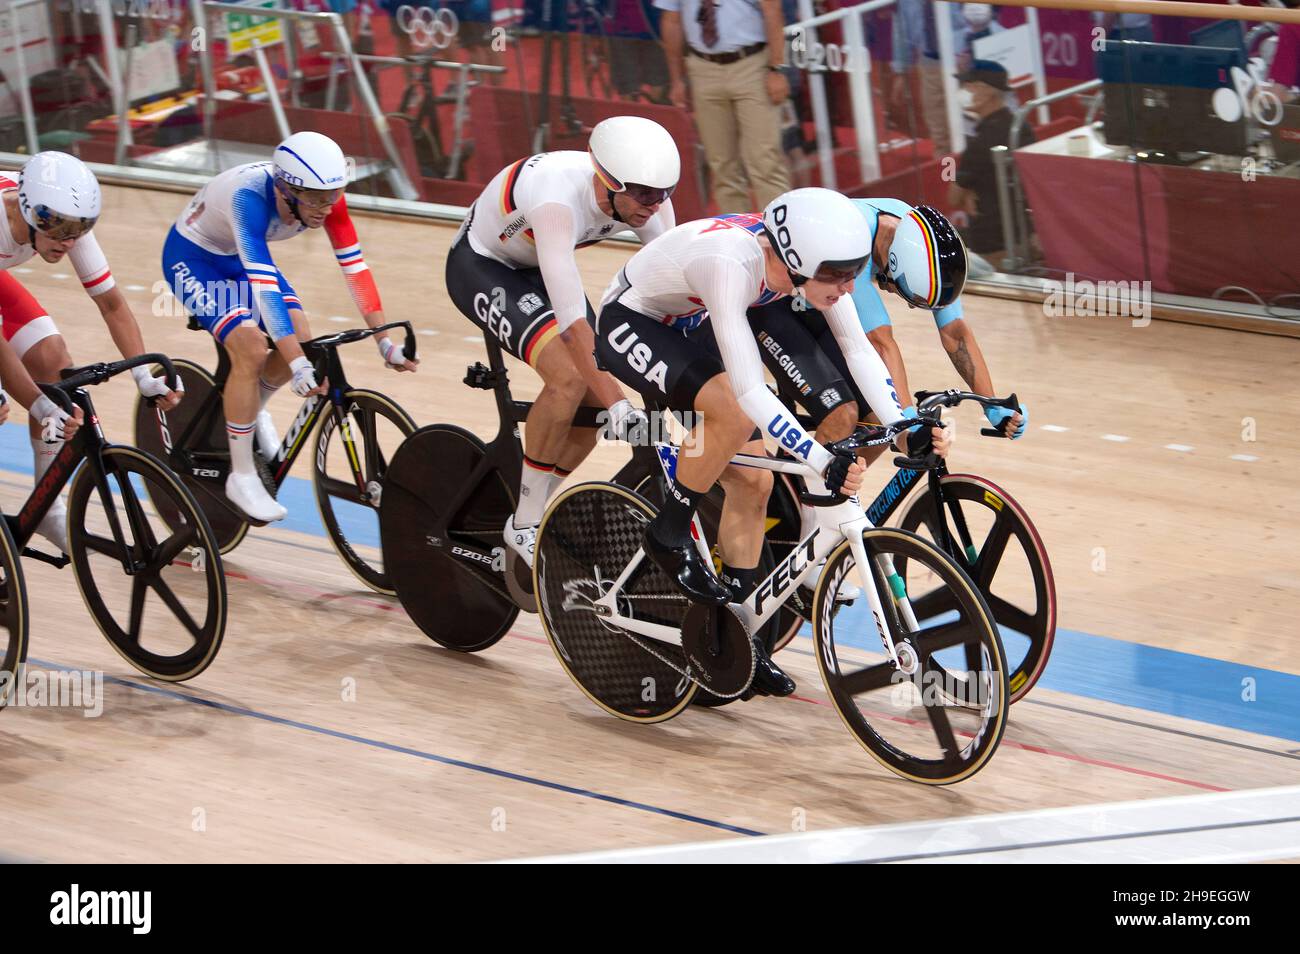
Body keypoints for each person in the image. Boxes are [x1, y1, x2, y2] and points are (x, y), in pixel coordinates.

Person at [592, 188, 948, 696]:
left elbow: (857, 348)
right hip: (635, 320)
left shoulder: (809, 260)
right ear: (797, 261)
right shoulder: (730, 263)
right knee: (733, 413)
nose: (848, 287)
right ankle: (668, 532)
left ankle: (742, 638)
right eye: (836, 275)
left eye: (853, 272)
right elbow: (748, 390)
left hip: (695, 321)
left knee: (755, 482)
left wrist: (904, 425)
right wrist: (818, 458)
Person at [446, 116, 679, 567]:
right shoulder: (557, 200)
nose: (656, 205)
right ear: (608, 182)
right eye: (645, 194)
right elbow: (574, 328)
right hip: (484, 263)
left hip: (539, 265)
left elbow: (678, 288)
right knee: (572, 377)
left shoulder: (651, 204)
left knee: (593, 398)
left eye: (665, 193)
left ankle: (532, 499)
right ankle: (524, 523)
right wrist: (620, 405)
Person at [161, 130, 418, 524]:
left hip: (235, 255)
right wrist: (296, 364)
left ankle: (251, 407)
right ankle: (242, 475)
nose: (326, 208)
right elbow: (264, 289)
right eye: (315, 199)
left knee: (303, 339)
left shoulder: (328, 199)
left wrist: (384, 341)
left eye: (332, 196)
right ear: (284, 189)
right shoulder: (247, 199)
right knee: (250, 346)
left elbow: (356, 271)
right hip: (194, 257)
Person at [1, 152, 180, 551]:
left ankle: (46, 508)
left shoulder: (66, 220)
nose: (68, 241)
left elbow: (112, 304)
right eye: (59, 230)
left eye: (79, 230)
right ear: (31, 212)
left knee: (52, 359)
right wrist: (41, 407)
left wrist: (143, 376)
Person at [790, 198, 1026, 449]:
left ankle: (839, 486)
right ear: (891, 265)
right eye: (911, 297)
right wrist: (908, 421)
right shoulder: (852, 247)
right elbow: (880, 344)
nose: (912, 306)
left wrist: (992, 403)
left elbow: (955, 334)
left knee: (879, 424)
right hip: (789, 303)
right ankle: (818, 484)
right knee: (843, 415)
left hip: (824, 301)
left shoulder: (921, 237)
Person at [657, 0, 792, 212]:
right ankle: (736, 234)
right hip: (702, 68)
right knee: (721, 165)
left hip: (753, 65)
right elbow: (671, 20)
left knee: (765, 160)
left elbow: (773, 10)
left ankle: (780, 233)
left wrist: (777, 69)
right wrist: (677, 79)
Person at [949, 60, 1035, 268]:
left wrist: (966, 192)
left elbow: (953, 197)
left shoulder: (981, 143)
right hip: (1026, 234)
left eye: (968, 85)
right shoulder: (1020, 127)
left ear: (986, 91)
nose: (963, 92)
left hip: (994, 246)